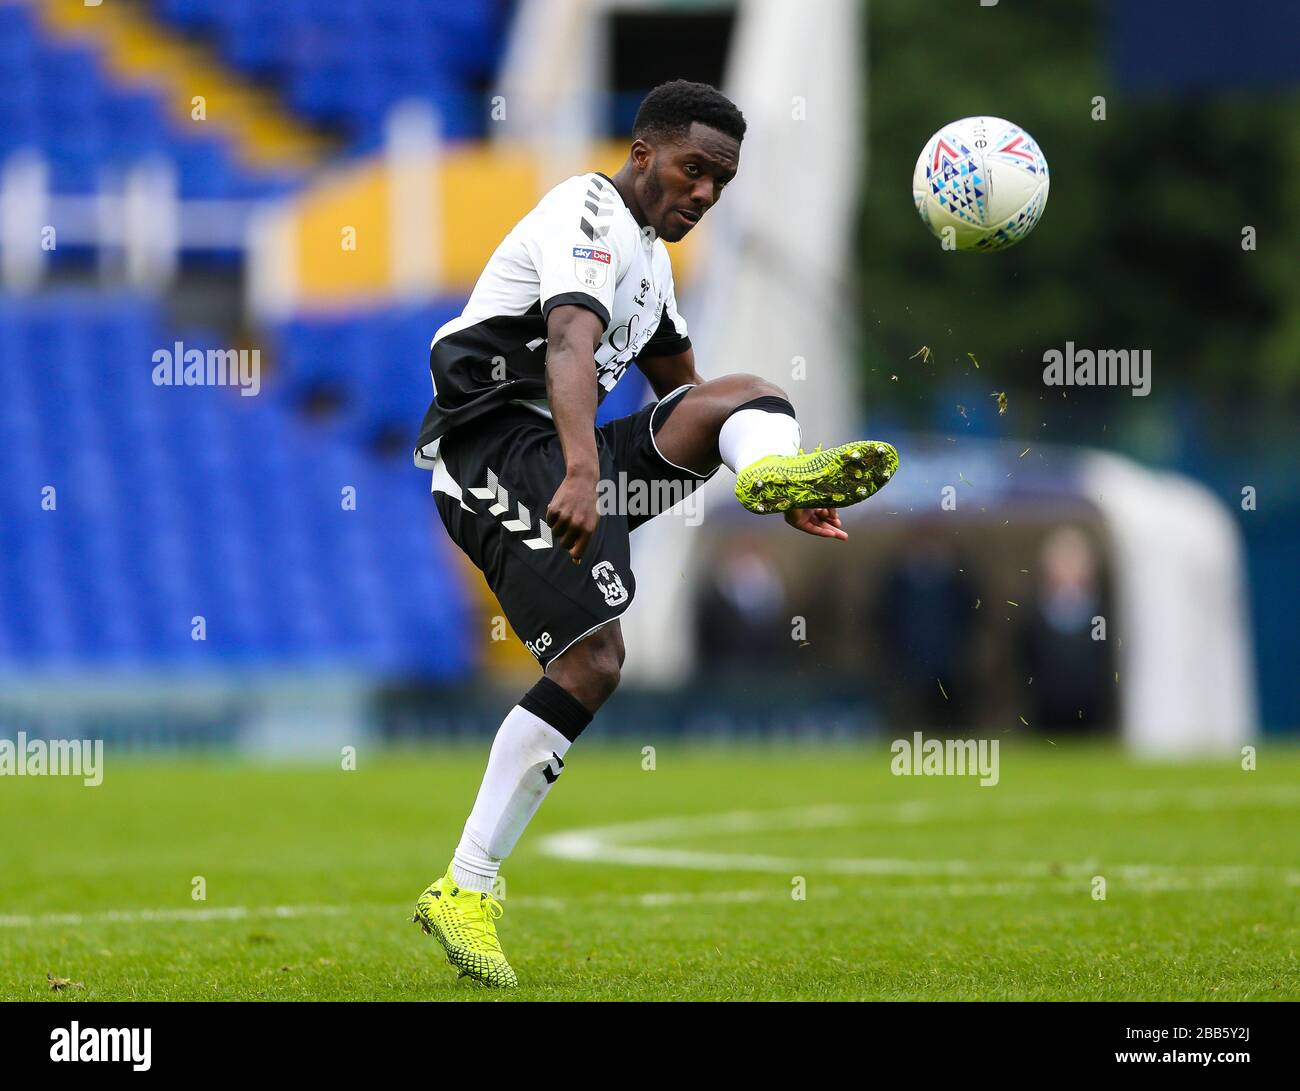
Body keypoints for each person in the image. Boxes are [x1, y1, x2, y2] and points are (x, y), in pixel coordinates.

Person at [410, 80, 897, 987]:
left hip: (565, 449)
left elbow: (689, 395)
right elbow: (566, 343)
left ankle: (773, 473)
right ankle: (465, 888)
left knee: (750, 395)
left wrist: (758, 461)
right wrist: (586, 473)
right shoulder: (585, 211)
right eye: (693, 170)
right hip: (492, 451)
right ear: (644, 155)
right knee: (594, 661)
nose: (705, 193)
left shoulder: (654, 264)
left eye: (721, 181)